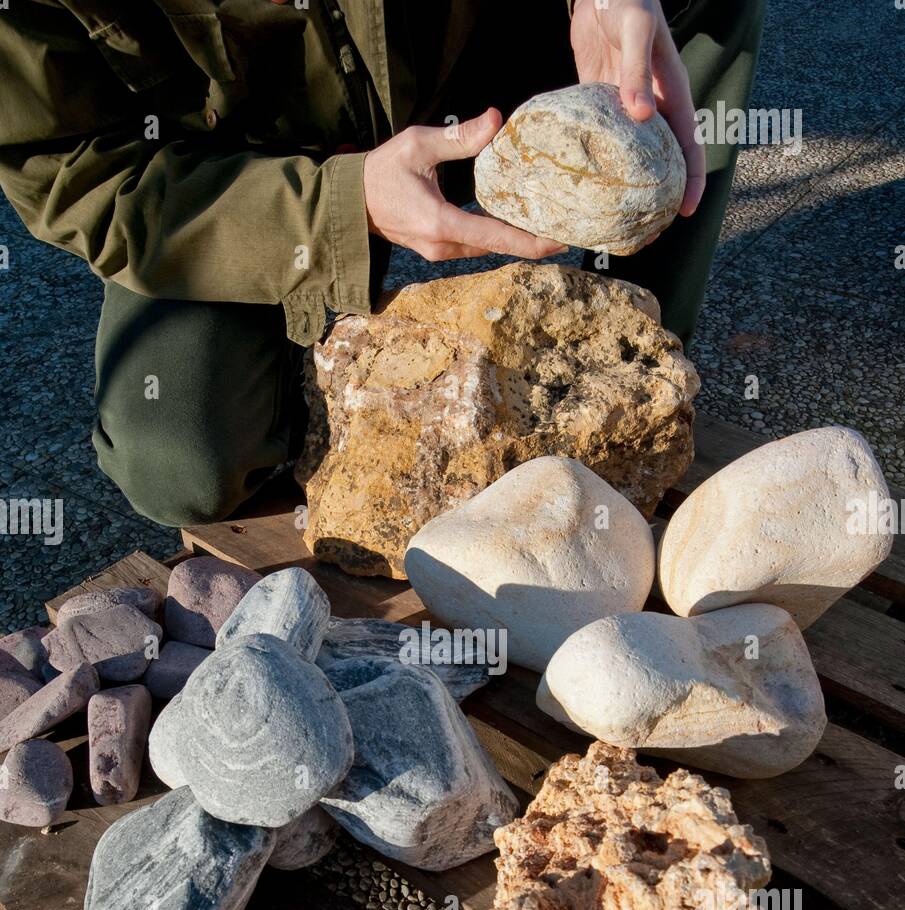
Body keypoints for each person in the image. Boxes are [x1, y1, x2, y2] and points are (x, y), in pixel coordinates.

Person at [0, 0, 763, 528]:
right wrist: (338, 208)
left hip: (474, 66)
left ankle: (618, 363)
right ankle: (324, 390)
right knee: (180, 459)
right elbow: (75, 170)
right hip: (234, 166)